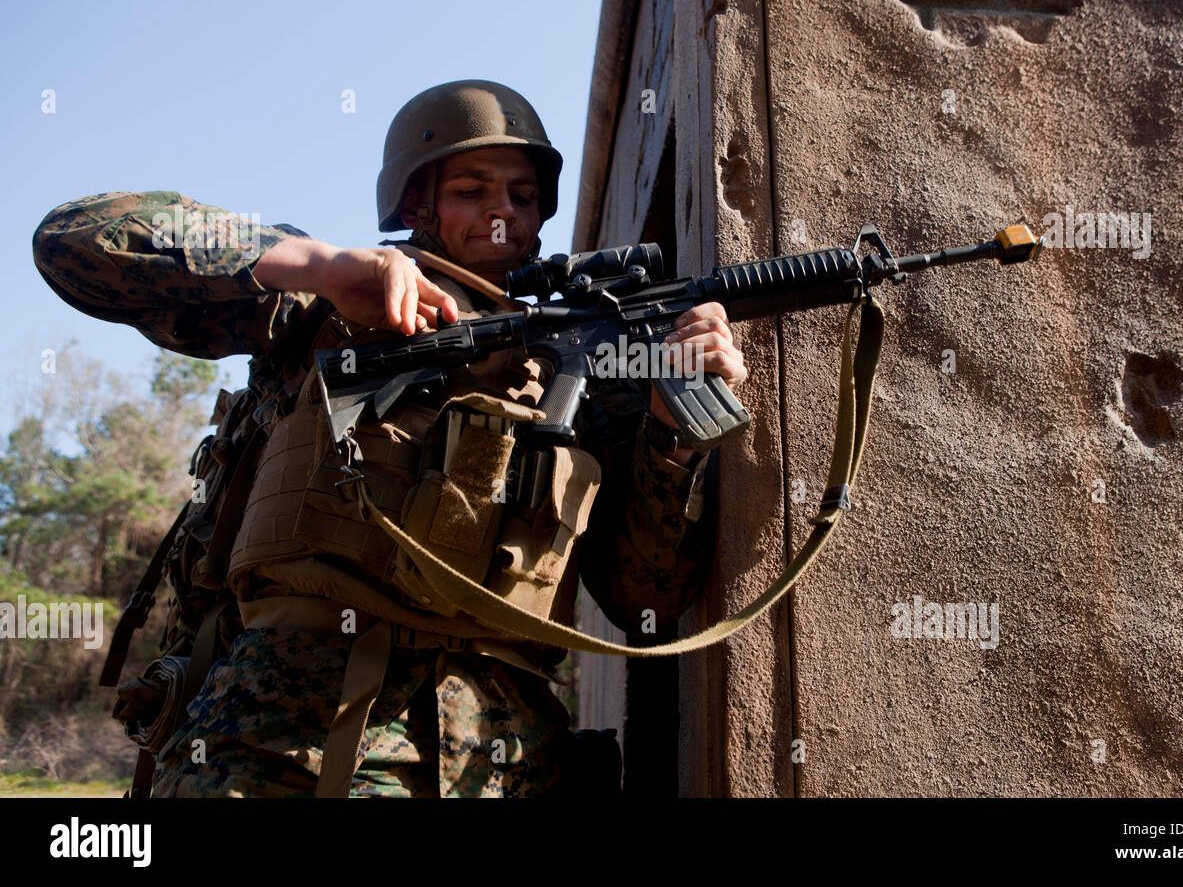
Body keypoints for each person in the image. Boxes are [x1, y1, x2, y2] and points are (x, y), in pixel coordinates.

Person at [31, 79, 747, 797]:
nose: (503, 210)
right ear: (414, 204)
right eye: (472, 189)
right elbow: (75, 240)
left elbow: (645, 597)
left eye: (523, 195)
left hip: (503, 763)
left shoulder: (583, 367)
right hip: (281, 742)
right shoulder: (330, 306)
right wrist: (317, 265)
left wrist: (671, 433)